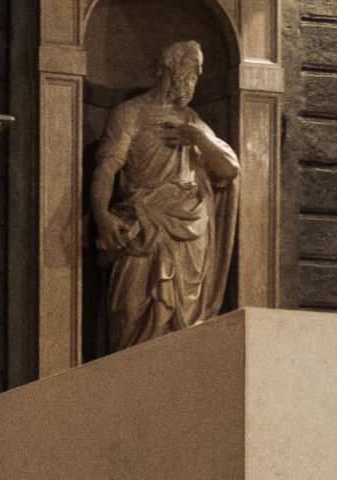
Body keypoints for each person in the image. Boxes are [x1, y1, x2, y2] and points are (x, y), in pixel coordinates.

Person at [89, 40, 240, 352]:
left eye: (196, 78)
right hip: (140, 227)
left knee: (183, 320)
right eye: (190, 75)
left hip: (188, 233)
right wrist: (102, 214)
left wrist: (200, 140)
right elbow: (106, 169)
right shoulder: (130, 113)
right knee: (129, 312)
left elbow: (230, 169)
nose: (191, 84)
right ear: (169, 72)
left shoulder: (192, 121)